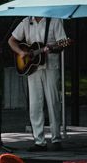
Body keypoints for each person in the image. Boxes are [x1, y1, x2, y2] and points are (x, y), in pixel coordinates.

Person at [8, 16, 68, 149]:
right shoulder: (26, 21)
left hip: (51, 66)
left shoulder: (54, 21)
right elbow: (11, 41)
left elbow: (62, 43)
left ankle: (56, 138)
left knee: (53, 102)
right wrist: (21, 52)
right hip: (32, 68)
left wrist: (51, 48)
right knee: (35, 104)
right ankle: (39, 141)